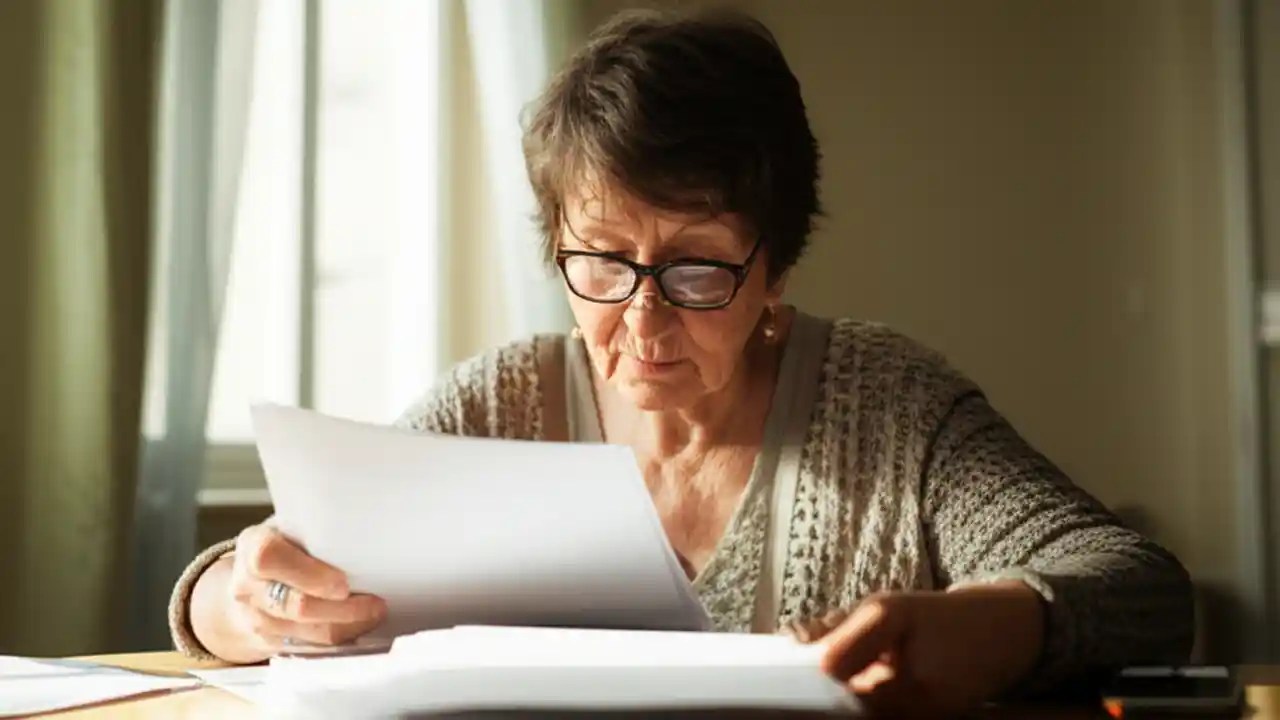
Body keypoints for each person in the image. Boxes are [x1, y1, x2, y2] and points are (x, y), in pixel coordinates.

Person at [168, 7, 1192, 716]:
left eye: (696, 272)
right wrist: (241, 598)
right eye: (601, 265)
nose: (643, 322)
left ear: (774, 265)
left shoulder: (890, 409)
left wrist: (996, 623)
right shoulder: (495, 405)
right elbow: (245, 588)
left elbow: (1140, 589)